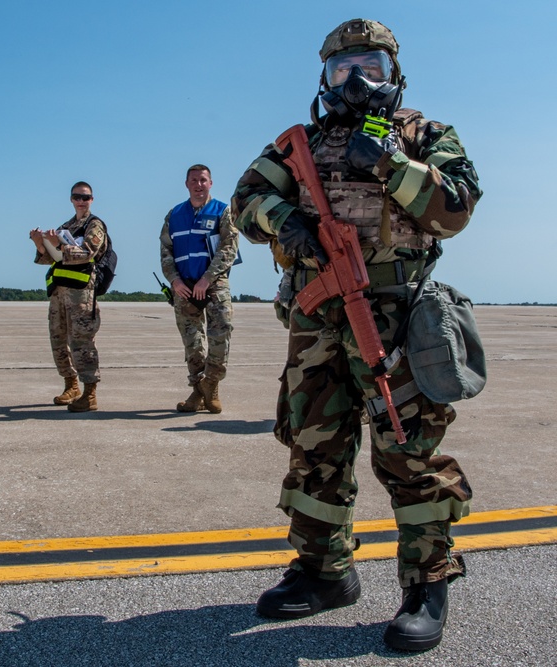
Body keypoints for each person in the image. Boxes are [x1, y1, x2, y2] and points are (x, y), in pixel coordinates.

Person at [230, 18, 481, 651]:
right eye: (343, 69)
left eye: (372, 67)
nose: (357, 81)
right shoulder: (302, 144)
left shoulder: (424, 135)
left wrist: (393, 166)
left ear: (394, 73)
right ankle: (324, 571)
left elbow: (457, 209)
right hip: (316, 316)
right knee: (315, 443)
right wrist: (285, 221)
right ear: (324, 76)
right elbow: (245, 200)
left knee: (407, 445)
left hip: (396, 315)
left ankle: (427, 582)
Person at [160, 165, 240, 413]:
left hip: (214, 284)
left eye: (203, 180)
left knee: (221, 333)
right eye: (194, 180)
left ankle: (211, 384)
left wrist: (207, 278)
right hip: (184, 287)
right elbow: (165, 251)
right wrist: (175, 281)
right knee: (192, 341)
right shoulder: (174, 215)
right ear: (187, 184)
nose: (198, 185)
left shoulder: (222, 211)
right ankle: (197, 390)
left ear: (210, 183)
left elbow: (229, 248)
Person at [29, 181, 108, 412]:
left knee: (82, 342)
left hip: (81, 294)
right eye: (77, 197)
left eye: (85, 197)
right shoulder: (66, 226)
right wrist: (40, 244)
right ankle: (71, 385)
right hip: (59, 292)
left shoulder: (95, 225)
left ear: (92, 199)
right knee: (58, 340)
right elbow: (50, 259)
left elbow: (87, 253)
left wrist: (60, 246)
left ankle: (89, 394)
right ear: (71, 199)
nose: (81, 201)